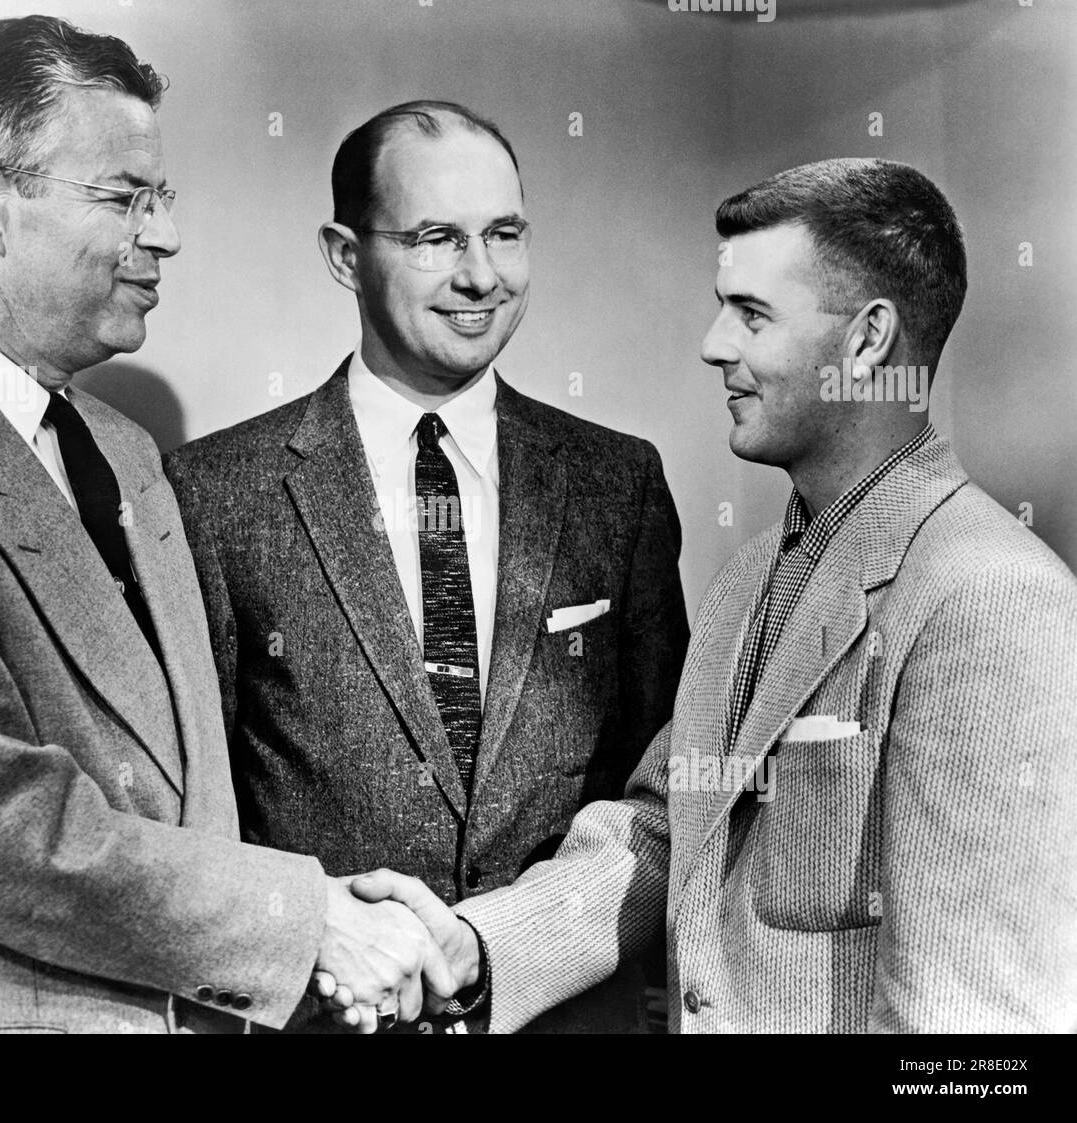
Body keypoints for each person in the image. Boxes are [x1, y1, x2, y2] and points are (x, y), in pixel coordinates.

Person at [0, 16, 450, 1036]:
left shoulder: (126, 449)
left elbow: (191, 792)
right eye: (124, 198)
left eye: (162, 197)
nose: (166, 233)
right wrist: (303, 916)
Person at [331, 158, 1077, 1033]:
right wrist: (473, 946)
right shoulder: (751, 574)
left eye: (752, 314)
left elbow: (978, 1041)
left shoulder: (992, 599)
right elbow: (664, 827)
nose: (713, 343)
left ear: (869, 341)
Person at [164, 100, 689, 1032]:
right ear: (343, 255)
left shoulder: (620, 482)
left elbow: (669, 794)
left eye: (504, 234)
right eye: (437, 238)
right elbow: (196, 824)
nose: (481, 275)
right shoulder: (214, 493)